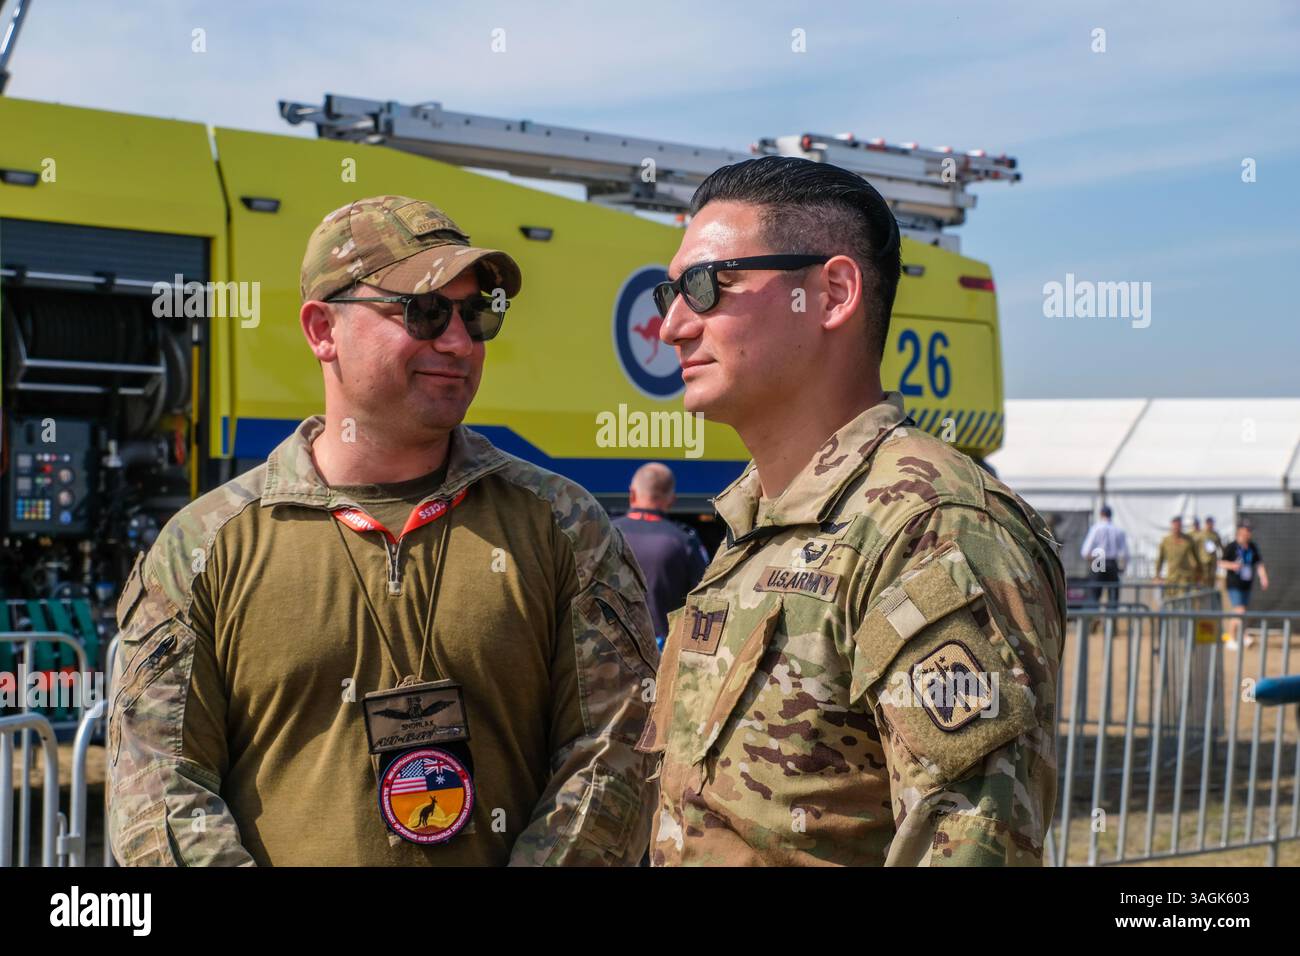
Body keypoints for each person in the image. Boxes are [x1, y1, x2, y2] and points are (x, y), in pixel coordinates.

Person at [107, 195, 659, 866]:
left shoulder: (564, 527)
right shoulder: (208, 546)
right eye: (424, 312)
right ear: (321, 330)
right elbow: (159, 787)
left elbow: (613, 759)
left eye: (476, 314)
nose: (458, 340)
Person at [639, 156, 1066, 866]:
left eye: (708, 287)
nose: (675, 326)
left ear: (832, 293)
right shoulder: (761, 521)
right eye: (669, 294)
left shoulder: (935, 526)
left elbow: (966, 849)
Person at [612, 463, 710, 649]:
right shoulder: (684, 541)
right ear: (671, 500)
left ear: (632, 494)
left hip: (612, 649)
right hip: (662, 652)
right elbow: (704, 598)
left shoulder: (607, 533)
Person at [1220, 522, 1269, 649]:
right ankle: (1238, 637)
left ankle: (1237, 637)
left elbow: (1259, 563)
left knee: (1240, 612)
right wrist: (1232, 565)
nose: (1248, 533)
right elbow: (1221, 562)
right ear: (1240, 531)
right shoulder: (1232, 546)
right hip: (1233, 583)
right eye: (1246, 530)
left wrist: (1263, 578)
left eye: (1249, 530)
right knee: (1240, 610)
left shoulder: (1252, 546)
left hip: (1246, 584)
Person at [1080, 505, 1128, 607]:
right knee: (1113, 596)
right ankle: (1111, 620)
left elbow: (1085, 551)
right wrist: (1123, 568)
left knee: (1094, 595)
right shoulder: (1118, 530)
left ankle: (1093, 619)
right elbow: (1125, 554)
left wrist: (1091, 561)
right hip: (1112, 563)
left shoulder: (1096, 529)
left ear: (1101, 514)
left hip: (1098, 561)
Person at [1155, 516, 1202, 600]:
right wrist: (1157, 575)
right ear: (1172, 526)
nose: (1177, 528)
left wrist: (1199, 575)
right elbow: (1160, 559)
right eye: (1175, 525)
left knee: (1182, 599)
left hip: (1185, 576)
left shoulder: (1188, 540)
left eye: (1179, 526)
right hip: (1171, 576)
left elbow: (1197, 558)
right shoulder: (1166, 540)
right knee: (1169, 600)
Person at [1193, 515, 1223, 588]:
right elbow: (1195, 547)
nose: (1210, 525)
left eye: (1212, 523)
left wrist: (1222, 557)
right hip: (1203, 560)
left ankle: (1211, 591)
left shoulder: (1215, 534)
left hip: (1213, 560)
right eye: (1209, 523)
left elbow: (1221, 546)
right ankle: (1204, 592)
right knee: (1204, 577)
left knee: (1212, 577)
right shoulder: (1200, 534)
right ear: (1206, 524)